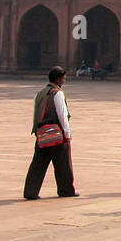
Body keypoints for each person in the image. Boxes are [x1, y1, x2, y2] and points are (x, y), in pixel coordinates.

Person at [23, 66, 78, 199]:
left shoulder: (40, 93)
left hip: (42, 134)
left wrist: (37, 131)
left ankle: (30, 192)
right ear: (58, 79)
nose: (64, 81)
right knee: (63, 164)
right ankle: (66, 190)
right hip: (56, 134)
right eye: (64, 79)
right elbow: (62, 115)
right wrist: (67, 134)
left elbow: (37, 113)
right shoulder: (57, 93)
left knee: (38, 164)